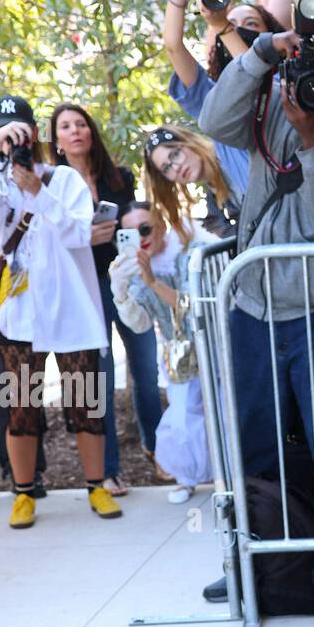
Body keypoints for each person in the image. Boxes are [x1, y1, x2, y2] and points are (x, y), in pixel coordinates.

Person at [197, 12, 314, 619]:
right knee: (254, 446)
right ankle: (261, 563)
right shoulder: (274, 109)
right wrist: (258, 55)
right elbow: (211, 122)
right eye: (310, 70)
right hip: (252, 305)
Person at [0, 95, 121, 527]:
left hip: (71, 308)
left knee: (85, 403)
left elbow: (77, 233)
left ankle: (96, 486)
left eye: (20, 130)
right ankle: (23, 493)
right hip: (21, 312)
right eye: (6, 130)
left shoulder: (63, 178)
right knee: (21, 405)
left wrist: (38, 192)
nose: (15, 139)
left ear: (34, 134)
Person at [50, 102, 162, 497]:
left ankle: (159, 451)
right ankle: (108, 471)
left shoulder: (120, 177)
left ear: (91, 132)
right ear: (57, 141)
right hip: (85, 288)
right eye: (66, 126)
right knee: (100, 377)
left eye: (81, 123)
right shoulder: (52, 186)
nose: (76, 130)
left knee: (147, 370)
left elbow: (139, 224)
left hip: (127, 281)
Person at [164, 0, 284, 206]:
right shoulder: (213, 100)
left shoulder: (286, 83)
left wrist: (222, 24)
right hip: (261, 231)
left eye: (250, 24)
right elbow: (173, 45)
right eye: (233, 24)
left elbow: (252, 70)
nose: (238, 29)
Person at [108, 201, 211, 503]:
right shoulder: (140, 266)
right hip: (179, 355)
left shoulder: (188, 252)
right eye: (128, 233)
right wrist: (120, 290)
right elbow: (139, 324)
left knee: (220, 413)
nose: (139, 237)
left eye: (144, 228)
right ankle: (186, 477)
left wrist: (151, 281)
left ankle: (229, 478)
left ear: (161, 224)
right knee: (181, 416)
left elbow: (192, 306)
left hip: (213, 346)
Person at [142, 123, 236, 244]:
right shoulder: (212, 198)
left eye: (175, 155)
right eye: (166, 168)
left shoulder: (231, 160)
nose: (175, 168)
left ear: (189, 143)